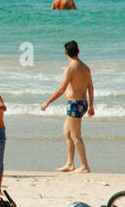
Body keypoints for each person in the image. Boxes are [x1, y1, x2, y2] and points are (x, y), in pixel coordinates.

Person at [40, 40, 94, 172]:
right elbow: (90, 88)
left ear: (65, 53)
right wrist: (91, 105)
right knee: (67, 133)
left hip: (75, 104)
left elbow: (61, 89)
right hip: (82, 103)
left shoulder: (70, 68)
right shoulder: (86, 67)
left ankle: (85, 166)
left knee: (76, 136)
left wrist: (47, 102)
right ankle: (70, 163)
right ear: (78, 51)